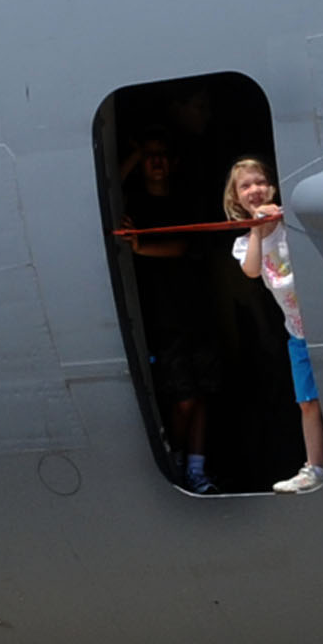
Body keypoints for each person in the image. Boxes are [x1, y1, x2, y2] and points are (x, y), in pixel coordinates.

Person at [123, 134, 221, 494]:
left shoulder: (187, 202)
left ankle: (196, 468)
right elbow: (103, 185)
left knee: (201, 395)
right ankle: (177, 462)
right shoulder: (131, 203)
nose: (157, 161)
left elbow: (183, 246)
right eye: (150, 156)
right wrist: (135, 153)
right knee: (183, 399)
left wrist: (140, 247)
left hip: (197, 311)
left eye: (163, 154)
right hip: (163, 319)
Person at [225, 158, 323, 494]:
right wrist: (258, 228)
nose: (254, 190)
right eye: (245, 186)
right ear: (236, 198)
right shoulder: (244, 244)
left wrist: (281, 218)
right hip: (298, 333)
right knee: (307, 402)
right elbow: (253, 270)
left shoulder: (291, 225)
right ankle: (315, 467)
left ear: (271, 187)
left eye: (259, 182)